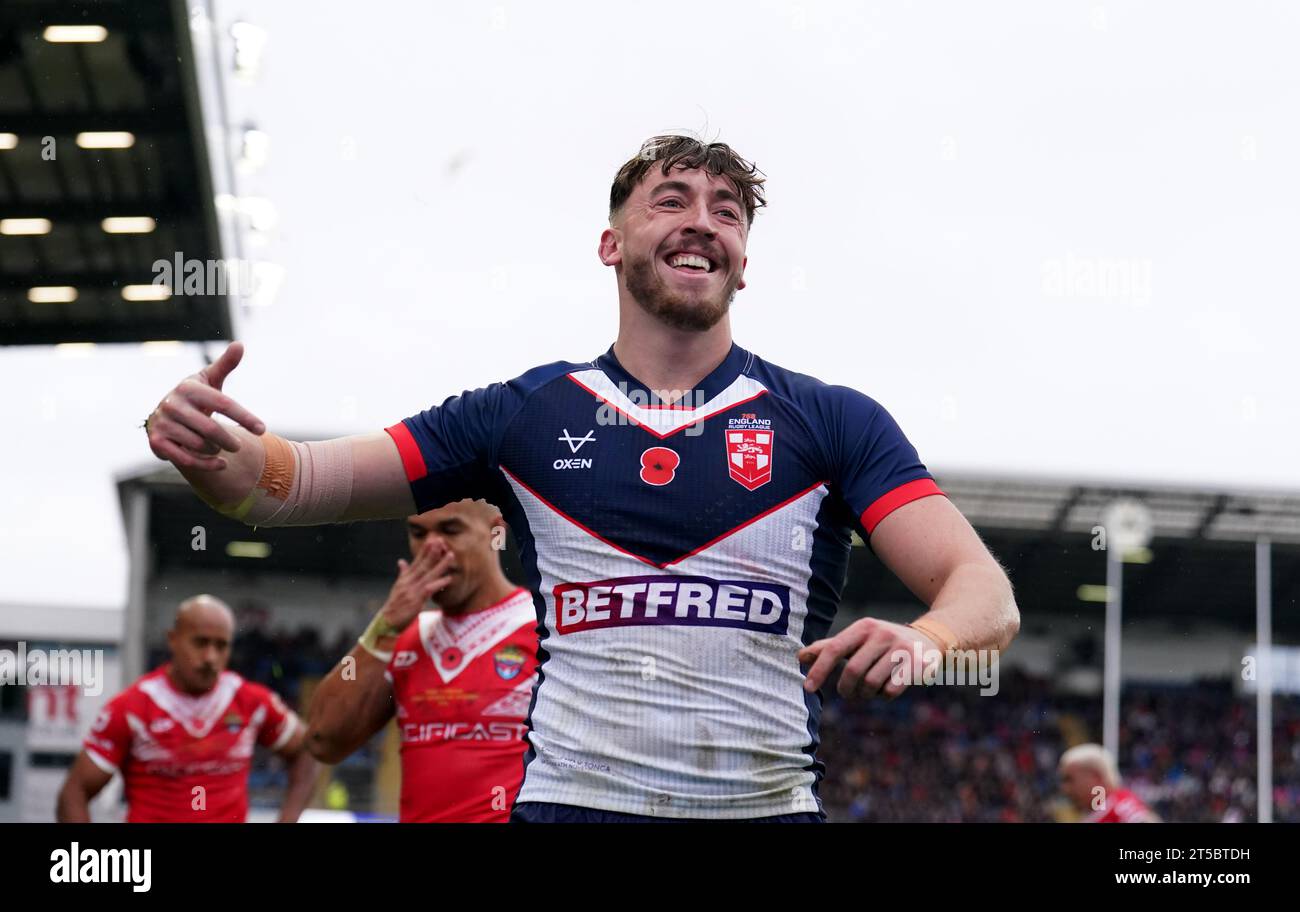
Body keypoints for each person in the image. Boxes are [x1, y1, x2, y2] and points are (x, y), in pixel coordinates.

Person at [143, 133, 1019, 821]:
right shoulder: (522, 413)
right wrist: (215, 454)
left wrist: (927, 641)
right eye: (670, 200)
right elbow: (292, 483)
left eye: (727, 212)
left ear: (743, 261)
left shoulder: (831, 420)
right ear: (610, 242)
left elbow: (983, 592)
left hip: (765, 811)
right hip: (570, 809)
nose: (702, 221)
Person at [306, 499, 537, 822]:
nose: (432, 547)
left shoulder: (544, 630)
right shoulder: (405, 637)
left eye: (450, 529)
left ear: (495, 532)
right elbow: (322, 741)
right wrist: (385, 624)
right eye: (418, 532)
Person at [57, 595, 317, 822]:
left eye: (221, 645)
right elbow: (74, 792)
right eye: (200, 643)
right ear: (173, 640)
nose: (210, 657)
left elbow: (307, 753)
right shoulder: (132, 708)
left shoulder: (252, 703)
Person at [1059, 743, 1160, 823]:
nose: (1065, 788)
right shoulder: (1103, 812)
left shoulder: (1122, 810)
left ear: (1096, 777)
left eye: (1070, 779)